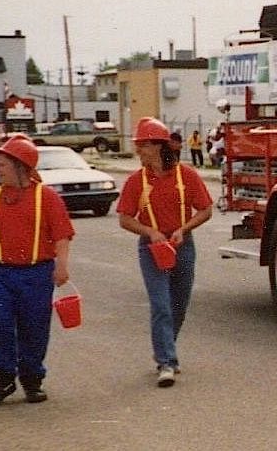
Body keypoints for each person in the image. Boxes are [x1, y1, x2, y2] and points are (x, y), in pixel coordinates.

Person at [0, 134, 74, 407]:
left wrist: (62, 265)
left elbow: (62, 235)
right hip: (0, 274)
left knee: (34, 328)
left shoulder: (47, 197)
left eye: (2, 165)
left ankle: (31, 379)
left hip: (37, 273)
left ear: (21, 167)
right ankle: (2, 378)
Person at [117, 117, 213, 388]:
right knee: (161, 304)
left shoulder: (187, 176)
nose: (139, 151)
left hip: (182, 246)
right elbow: (125, 218)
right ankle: (166, 362)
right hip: (152, 249)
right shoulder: (136, 181)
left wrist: (184, 229)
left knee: (178, 305)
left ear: (158, 147)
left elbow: (205, 210)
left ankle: (166, 347)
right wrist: (150, 232)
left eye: (143, 146)